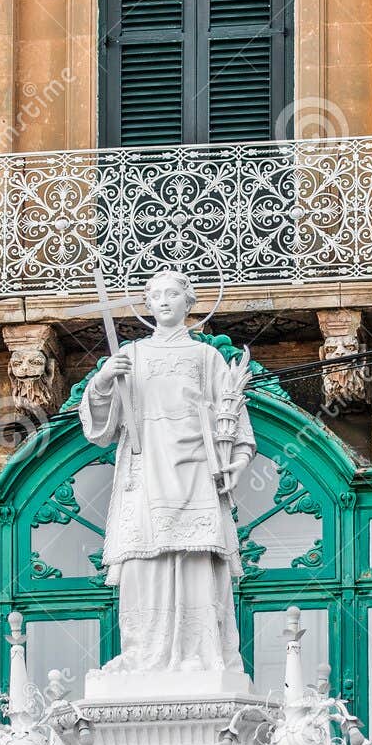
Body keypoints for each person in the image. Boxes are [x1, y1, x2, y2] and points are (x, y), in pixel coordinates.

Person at [79, 270, 254, 676]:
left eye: (172, 293)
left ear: (189, 302)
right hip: (144, 471)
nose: (163, 301)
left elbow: (231, 412)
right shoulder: (132, 355)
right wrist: (104, 379)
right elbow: (102, 428)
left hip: (195, 469)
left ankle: (198, 653)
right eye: (155, 295)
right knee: (144, 561)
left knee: (195, 558)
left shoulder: (205, 357)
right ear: (147, 305)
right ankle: (144, 655)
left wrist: (238, 462)